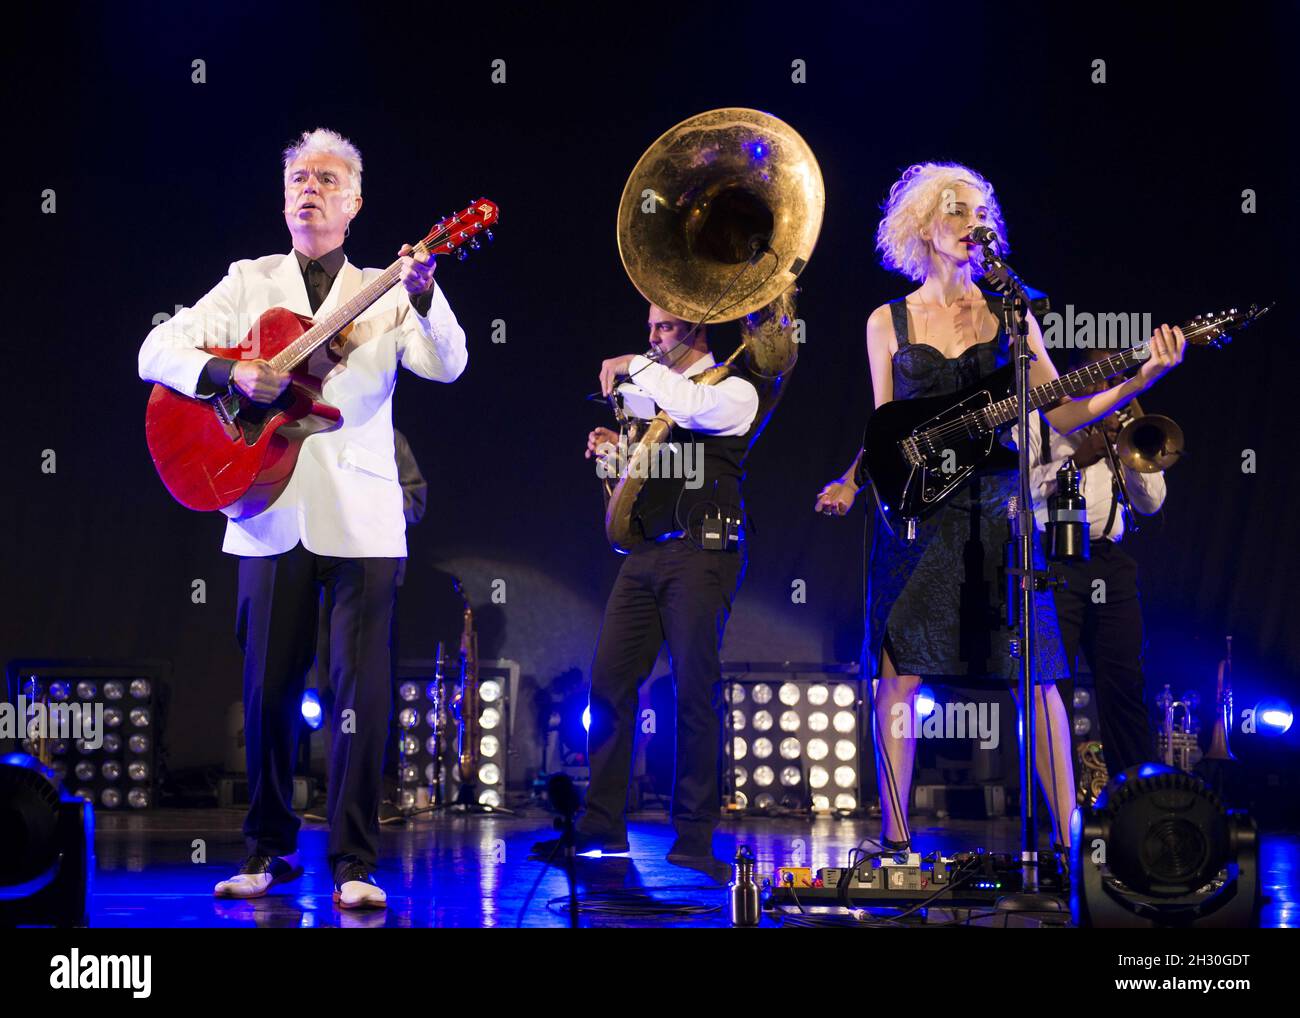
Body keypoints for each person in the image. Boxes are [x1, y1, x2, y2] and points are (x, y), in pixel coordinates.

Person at [138, 127, 467, 908]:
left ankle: (354, 861)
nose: (307, 189)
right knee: (266, 694)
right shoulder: (249, 282)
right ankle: (269, 851)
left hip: (362, 519)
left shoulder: (386, 288)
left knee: (361, 694)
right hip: (265, 510)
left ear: (355, 202)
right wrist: (230, 371)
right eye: (296, 179)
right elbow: (155, 351)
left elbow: (449, 364)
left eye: (325, 178)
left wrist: (422, 289)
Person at [814, 163, 1184, 856]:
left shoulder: (1011, 317)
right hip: (920, 522)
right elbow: (887, 430)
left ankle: (1071, 845)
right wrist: (864, 483)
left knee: (1040, 675)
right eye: (954, 209)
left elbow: (1067, 411)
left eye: (979, 209)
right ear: (922, 225)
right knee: (899, 675)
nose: (968, 220)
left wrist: (1147, 374)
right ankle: (896, 842)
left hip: (998, 515)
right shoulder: (885, 321)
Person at [532, 303, 759, 882]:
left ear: (698, 330)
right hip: (647, 553)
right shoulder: (654, 392)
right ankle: (603, 823)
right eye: (650, 329)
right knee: (607, 684)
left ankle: (694, 835)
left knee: (695, 690)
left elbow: (692, 408)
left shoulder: (736, 390)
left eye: (666, 328)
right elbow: (644, 465)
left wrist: (636, 365)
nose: (655, 338)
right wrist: (612, 446)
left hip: (703, 553)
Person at [1022, 364, 1166, 777]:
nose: (1104, 390)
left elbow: (1151, 504)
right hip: (1052, 558)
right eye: (1094, 381)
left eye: (1111, 383)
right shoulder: (1041, 422)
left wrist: (1124, 449)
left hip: (1109, 561)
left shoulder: (1126, 429)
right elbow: (1013, 489)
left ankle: (1134, 798)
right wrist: (1073, 464)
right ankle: (1060, 811)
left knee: (1124, 683)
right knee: (1053, 688)